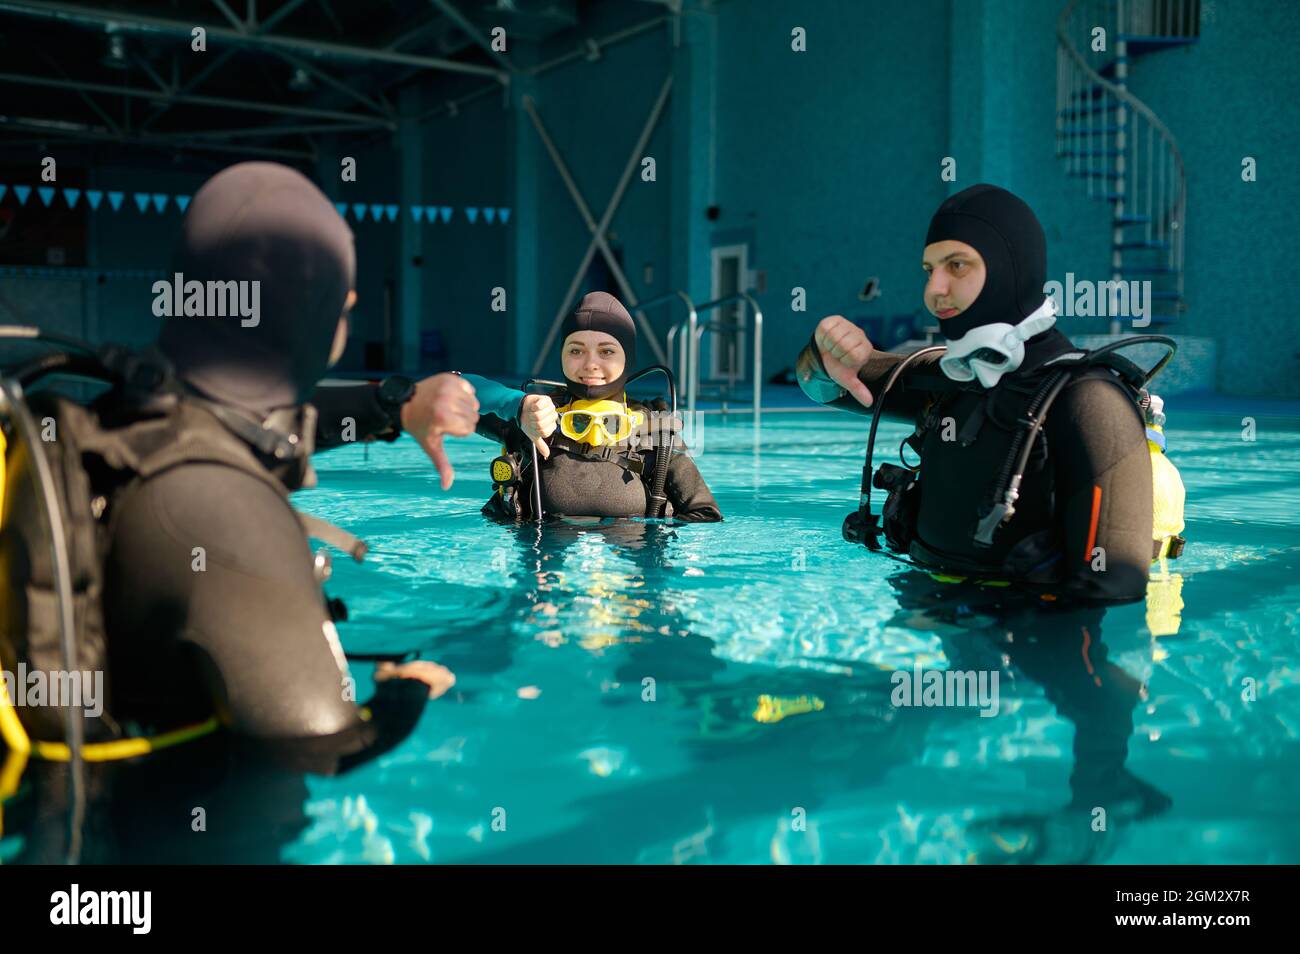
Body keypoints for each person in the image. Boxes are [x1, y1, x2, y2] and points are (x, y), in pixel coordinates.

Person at [795, 184, 1181, 603]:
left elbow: (1108, 596)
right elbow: (827, 386)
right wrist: (821, 353)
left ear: (1010, 268)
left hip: (1017, 649)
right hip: (940, 622)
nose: (934, 289)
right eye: (929, 270)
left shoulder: (1089, 402)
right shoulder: (953, 374)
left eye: (956, 265)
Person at [468, 291, 722, 523]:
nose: (590, 364)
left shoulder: (655, 433)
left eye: (607, 351)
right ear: (562, 355)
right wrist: (514, 403)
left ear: (628, 358)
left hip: (631, 570)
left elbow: (706, 515)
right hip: (546, 570)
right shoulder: (533, 416)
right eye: (576, 351)